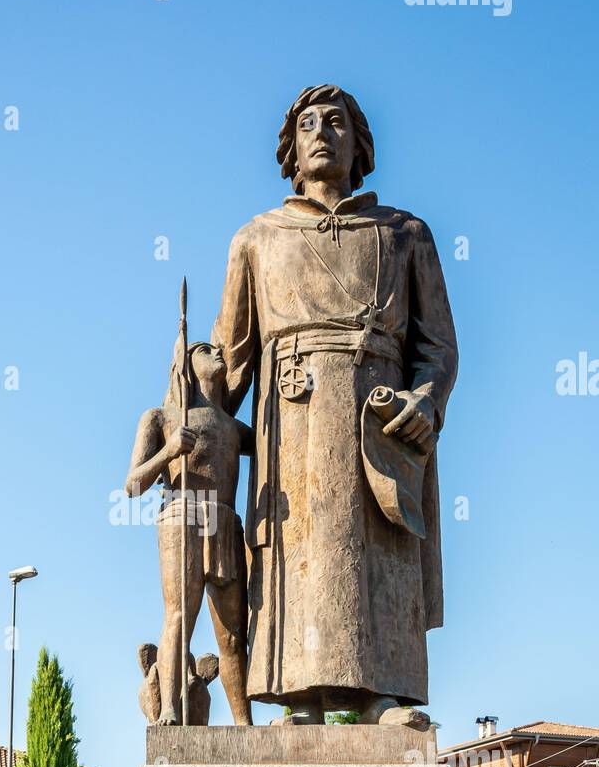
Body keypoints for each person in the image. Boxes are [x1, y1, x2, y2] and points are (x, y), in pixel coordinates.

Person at [212, 84, 458, 723]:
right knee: (297, 545)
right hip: (291, 419)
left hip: (376, 418)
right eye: (309, 124)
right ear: (290, 148)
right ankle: (297, 697)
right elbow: (229, 362)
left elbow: (438, 347)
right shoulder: (257, 239)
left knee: (379, 543)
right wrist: (190, 402)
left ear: (360, 143)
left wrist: (427, 402)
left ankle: (385, 693)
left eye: (337, 123)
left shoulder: (405, 233)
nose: (323, 131)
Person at [125, 341, 252, 725]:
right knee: (180, 617)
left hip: (226, 523)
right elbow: (132, 485)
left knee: (232, 635)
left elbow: (270, 441)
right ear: (185, 364)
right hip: (182, 516)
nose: (218, 352)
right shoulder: (162, 417)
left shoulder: (231, 426)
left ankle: (244, 722)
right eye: (205, 349)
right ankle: (170, 710)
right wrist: (169, 452)